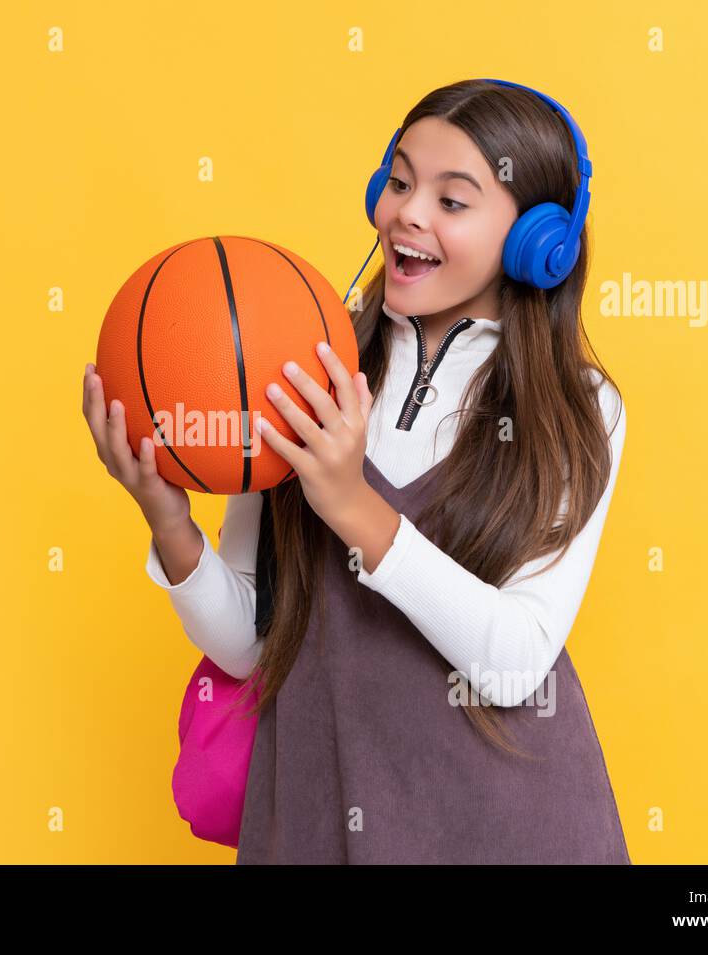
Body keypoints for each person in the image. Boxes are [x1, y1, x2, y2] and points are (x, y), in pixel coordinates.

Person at [82, 78, 629, 863]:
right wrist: (169, 521)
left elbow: (514, 662)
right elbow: (254, 647)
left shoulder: (578, 406)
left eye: (452, 200)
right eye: (400, 182)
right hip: (319, 815)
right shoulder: (295, 363)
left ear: (535, 241)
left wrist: (350, 504)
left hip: (510, 826)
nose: (408, 212)